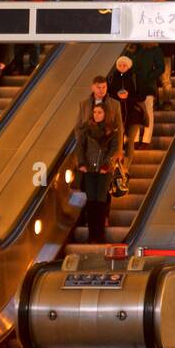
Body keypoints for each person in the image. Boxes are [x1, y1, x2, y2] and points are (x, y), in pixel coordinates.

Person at [76, 102, 118, 246]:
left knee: (100, 201)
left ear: (105, 114)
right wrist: (82, 163)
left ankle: (99, 235)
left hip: (104, 171)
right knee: (91, 201)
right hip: (89, 169)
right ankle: (91, 235)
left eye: (99, 112)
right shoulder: (87, 129)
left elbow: (113, 149)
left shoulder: (112, 131)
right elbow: (80, 147)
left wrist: (106, 165)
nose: (96, 115)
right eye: (95, 112)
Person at [8, 0, 48, 74]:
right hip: (19, 14)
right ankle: (18, 66)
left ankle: (33, 66)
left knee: (33, 43)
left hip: (34, 13)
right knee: (18, 43)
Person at [107, 55, 145, 169]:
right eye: (120, 65)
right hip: (117, 114)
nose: (122, 67)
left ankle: (125, 168)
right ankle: (116, 167)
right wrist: (117, 96)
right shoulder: (112, 78)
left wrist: (128, 97)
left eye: (124, 65)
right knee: (118, 140)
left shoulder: (135, 78)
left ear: (129, 66)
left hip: (133, 114)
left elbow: (142, 96)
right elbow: (108, 95)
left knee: (130, 140)